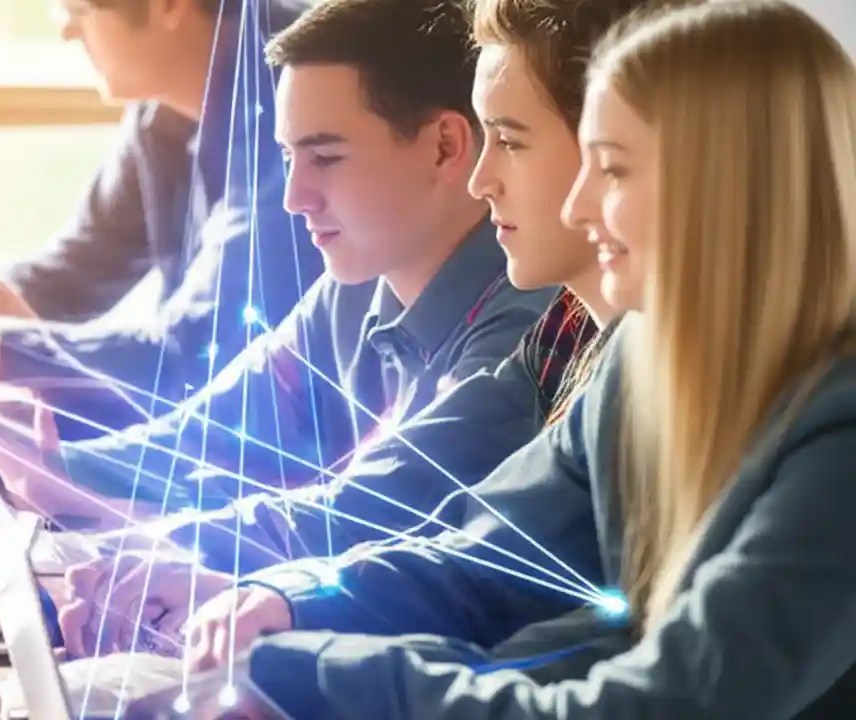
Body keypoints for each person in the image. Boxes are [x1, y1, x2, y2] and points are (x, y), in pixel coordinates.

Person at [182, 1, 856, 716]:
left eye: (614, 169)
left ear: (726, 184)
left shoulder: (840, 439)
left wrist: (309, 672)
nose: (580, 205)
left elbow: (671, 702)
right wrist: (288, 606)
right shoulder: (638, 357)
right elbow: (481, 560)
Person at [52, 0, 657, 660]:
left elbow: (394, 516)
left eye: (508, 141)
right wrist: (266, 599)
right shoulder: (566, 334)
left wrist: (290, 649)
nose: (484, 181)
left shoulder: (532, 322)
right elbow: (467, 553)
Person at [0, 0, 326, 451]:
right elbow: (74, 273)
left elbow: (191, 358)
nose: (68, 28)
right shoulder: (166, 112)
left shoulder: (297, 120)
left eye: (80, 8)